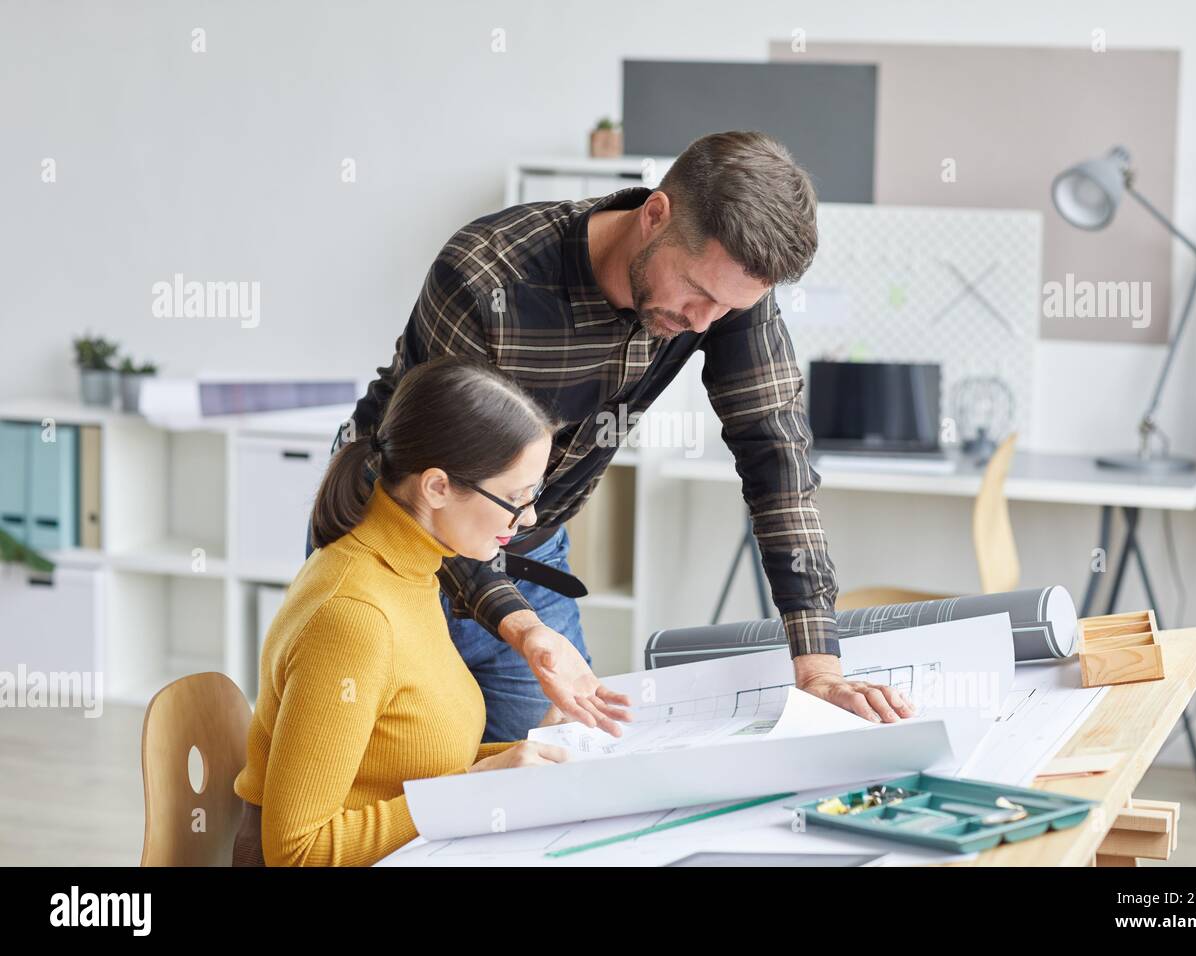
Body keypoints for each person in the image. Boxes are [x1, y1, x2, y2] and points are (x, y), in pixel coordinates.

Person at [331, 129, 915, 743]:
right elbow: (435, 488)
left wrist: (818, 666)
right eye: (698, 294)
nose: (703, 323)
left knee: (550, 772)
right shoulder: (489, 277)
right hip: (397, 546)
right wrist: (523, 628)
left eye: (727, 310)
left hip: (527, 550)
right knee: (384, 791)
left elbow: (778, 460)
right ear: (654, 215)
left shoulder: (725, 294)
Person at [233, 356, 630, 866]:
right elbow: (296, 852)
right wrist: (473, 790)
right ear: (437, 486)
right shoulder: (352, 615)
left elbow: (400, 763)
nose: (529, 518)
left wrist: (534, 754)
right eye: (516, 498)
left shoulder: (414, 568)